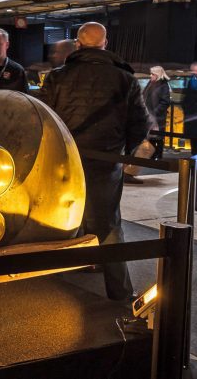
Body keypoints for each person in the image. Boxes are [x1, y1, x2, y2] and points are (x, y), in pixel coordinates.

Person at [38, 22, 150, 301]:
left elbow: (43, 119)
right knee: (109, 224)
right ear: (105, 44)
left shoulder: (57, 77)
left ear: (78, 44)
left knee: (59, 220)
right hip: (106, 160)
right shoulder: (125, 79)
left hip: (66, 160)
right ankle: (120, 292)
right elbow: (140, 123)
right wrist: (125, 150)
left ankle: (47, 291)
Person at [123, 66, 171, 184]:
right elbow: (142, 98)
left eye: (152, 74)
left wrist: (153, 114)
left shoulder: (163, 86)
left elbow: (164, 102)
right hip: (145, 118)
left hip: (154, 119)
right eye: (150, 74)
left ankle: (129, 172)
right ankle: (127, 172)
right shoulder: (150, 84)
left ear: (158, 74)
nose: (150, 76)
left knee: (147, 146)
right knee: (142, 146)